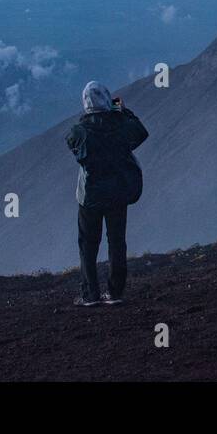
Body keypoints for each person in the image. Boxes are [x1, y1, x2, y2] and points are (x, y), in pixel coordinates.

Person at [66, 81, 148, 306]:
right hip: (117, 194)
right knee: (117, 242)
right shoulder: (121, 126)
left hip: (89, 196)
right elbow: (140, 132)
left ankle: (90, 295)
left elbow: (72, 143)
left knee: (88, 245)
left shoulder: (79, 131)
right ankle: (116, 293)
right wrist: (122, 111)